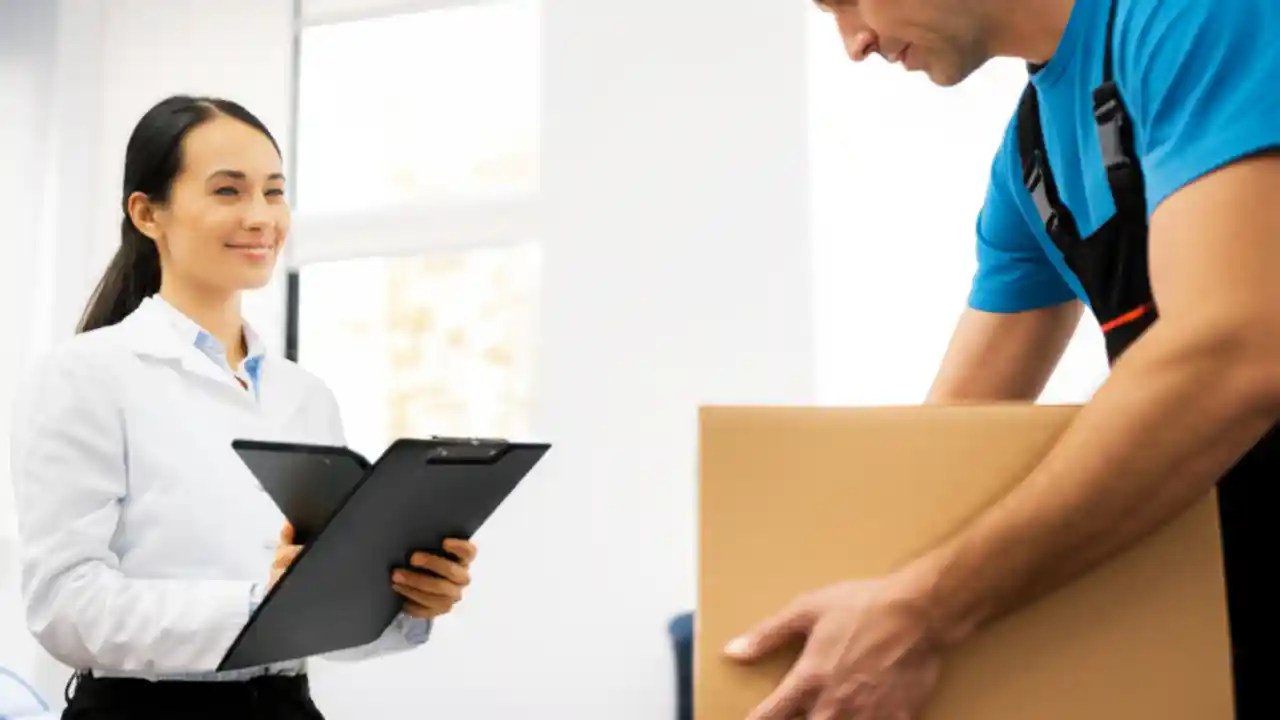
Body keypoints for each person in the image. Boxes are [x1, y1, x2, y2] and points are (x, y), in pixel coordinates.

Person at [723, 0, 1280, 718]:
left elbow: (1233, 355)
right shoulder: (1030, 164)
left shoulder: (1194, 17)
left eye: (845, 1)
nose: (853, 43)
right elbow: (946, 456)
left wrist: (924, 609)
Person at [8, 95, 477, 719]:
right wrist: (260, 603)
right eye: (228, 192)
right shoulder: (86, 377)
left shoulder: (305, 396)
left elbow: (322, 623)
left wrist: (405, 602)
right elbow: (66, 607)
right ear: (148, 213)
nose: (261, 217)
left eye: (274, 192)